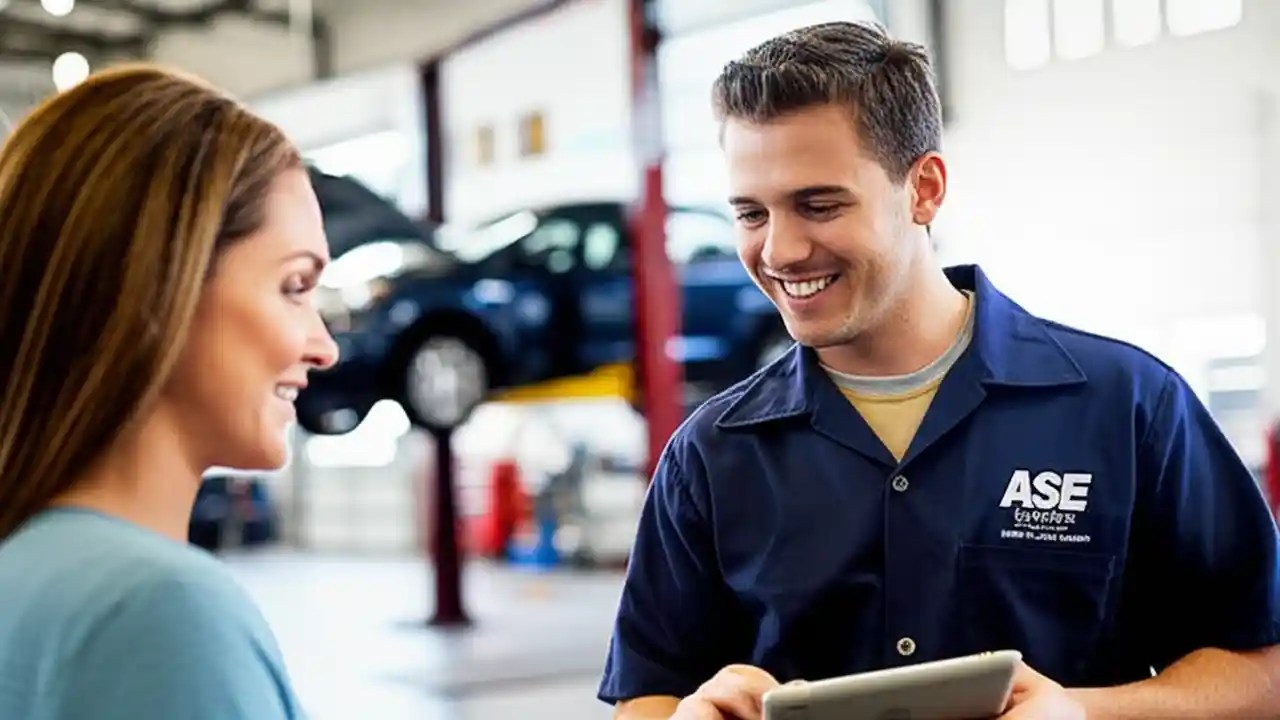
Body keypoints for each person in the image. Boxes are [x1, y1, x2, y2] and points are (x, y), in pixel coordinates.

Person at [599, 20, 1280, 720]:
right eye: (750, 213)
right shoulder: (710, 455)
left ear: (923, 188)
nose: (780, 249)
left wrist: (1082, 713)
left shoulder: (1128, 407)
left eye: (819, 204)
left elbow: (1264, 669)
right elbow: (648, 691)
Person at [0, 65, 338, 719]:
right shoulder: (159, 610)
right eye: (294, 287)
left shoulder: (26, 571)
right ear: (164, 285)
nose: (324, 346)